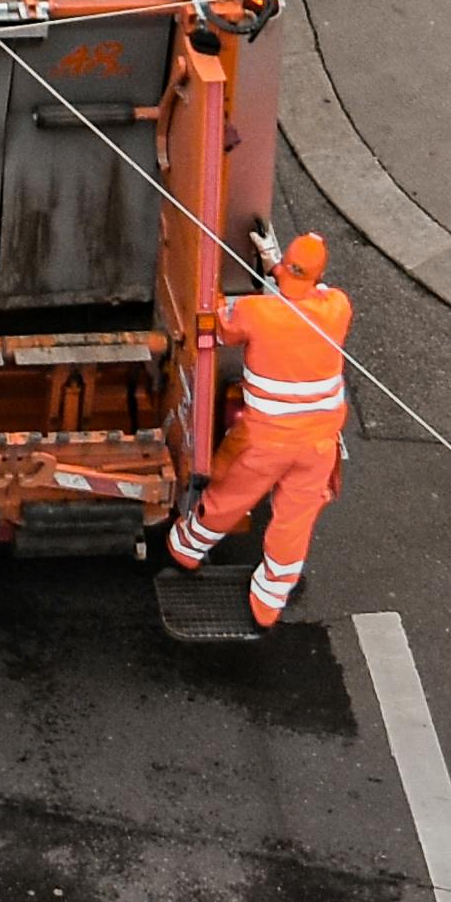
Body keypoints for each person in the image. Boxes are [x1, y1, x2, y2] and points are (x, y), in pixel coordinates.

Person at [165, 224, 353, 629]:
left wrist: (266, 272)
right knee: (294, 522)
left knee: (231, 496)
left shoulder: (256, 313)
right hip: (319, 446)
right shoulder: (338, 308)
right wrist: (278, 267)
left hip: (265, 441)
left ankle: (186, 548)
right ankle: (268, 601)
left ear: (287, 268)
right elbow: (312, 294)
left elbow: (218, 325)